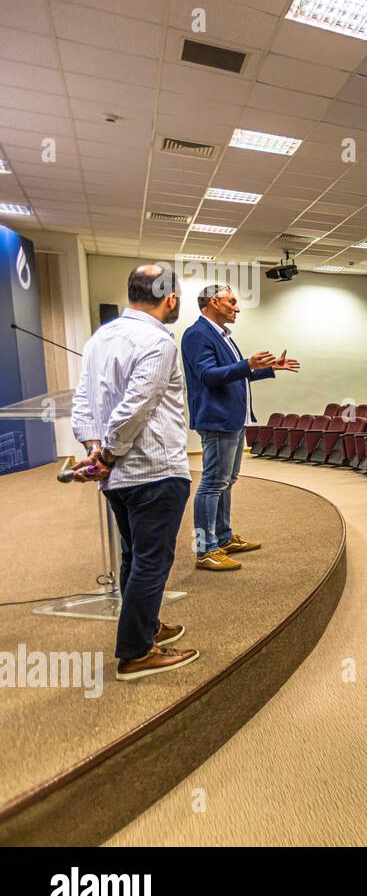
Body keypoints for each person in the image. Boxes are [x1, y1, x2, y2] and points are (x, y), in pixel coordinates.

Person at [69, 264, 199, 680]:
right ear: (170, 298)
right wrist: (107, 455)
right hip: (154, 470)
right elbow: (137, 407)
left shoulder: (100, 338)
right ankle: (136, 652)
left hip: (118, 478)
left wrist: (94, 450)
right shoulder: (158, 341)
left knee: (134, 556)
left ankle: (147, 625)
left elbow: (83, 402)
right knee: (152, 560)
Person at [181, 283, 299, 571]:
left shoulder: (222, 335)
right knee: (212, 484)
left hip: (232, 419)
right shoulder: (198, 334)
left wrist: (267, 368)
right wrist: (247, 364)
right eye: (232, 302)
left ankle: (222, 537)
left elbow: (234, 375)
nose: (237, 308)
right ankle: (206, 549)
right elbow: (208, 376)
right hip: (217, 420)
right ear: (213, 302)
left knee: (226, 481)